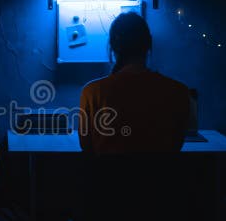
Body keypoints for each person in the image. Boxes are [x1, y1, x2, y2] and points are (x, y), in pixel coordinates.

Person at [79, 11, 190, 154]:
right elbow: (176, 145)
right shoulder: (178, 91)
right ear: (148, 43)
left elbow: (86, 145)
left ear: (113, 45)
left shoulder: (92, 92)